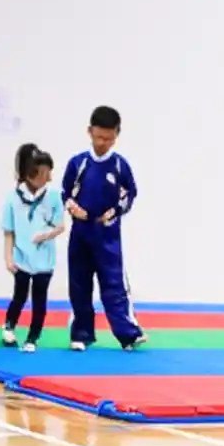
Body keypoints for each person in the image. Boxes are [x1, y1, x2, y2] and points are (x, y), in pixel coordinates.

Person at [62, 105, 145, 351]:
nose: (103, 143)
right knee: (79, 283)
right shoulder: (78, 163)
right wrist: (72, 207)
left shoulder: (120, 165)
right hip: (81, 233)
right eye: (99, 137)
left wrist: (116, 211)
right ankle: (81, 333)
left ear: (116, 136)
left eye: (109, 139)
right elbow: (66, 192)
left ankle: (128, 333)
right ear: (90, 132)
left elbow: (130, 193)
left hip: (107, 235)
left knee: (113, 285)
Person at [1, 144, 66, 352]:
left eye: (49, 173)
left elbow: (61, 225)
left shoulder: (54, 196)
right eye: (43, 173)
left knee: (40, 299)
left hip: (44, 260)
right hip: (21, 257)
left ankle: (33, 337)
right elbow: (8, 231)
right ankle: (9, 326)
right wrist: (8, 258)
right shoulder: (13, 198)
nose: (48, 178)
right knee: (19, 296)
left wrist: (45, 235)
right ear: (29, 174)